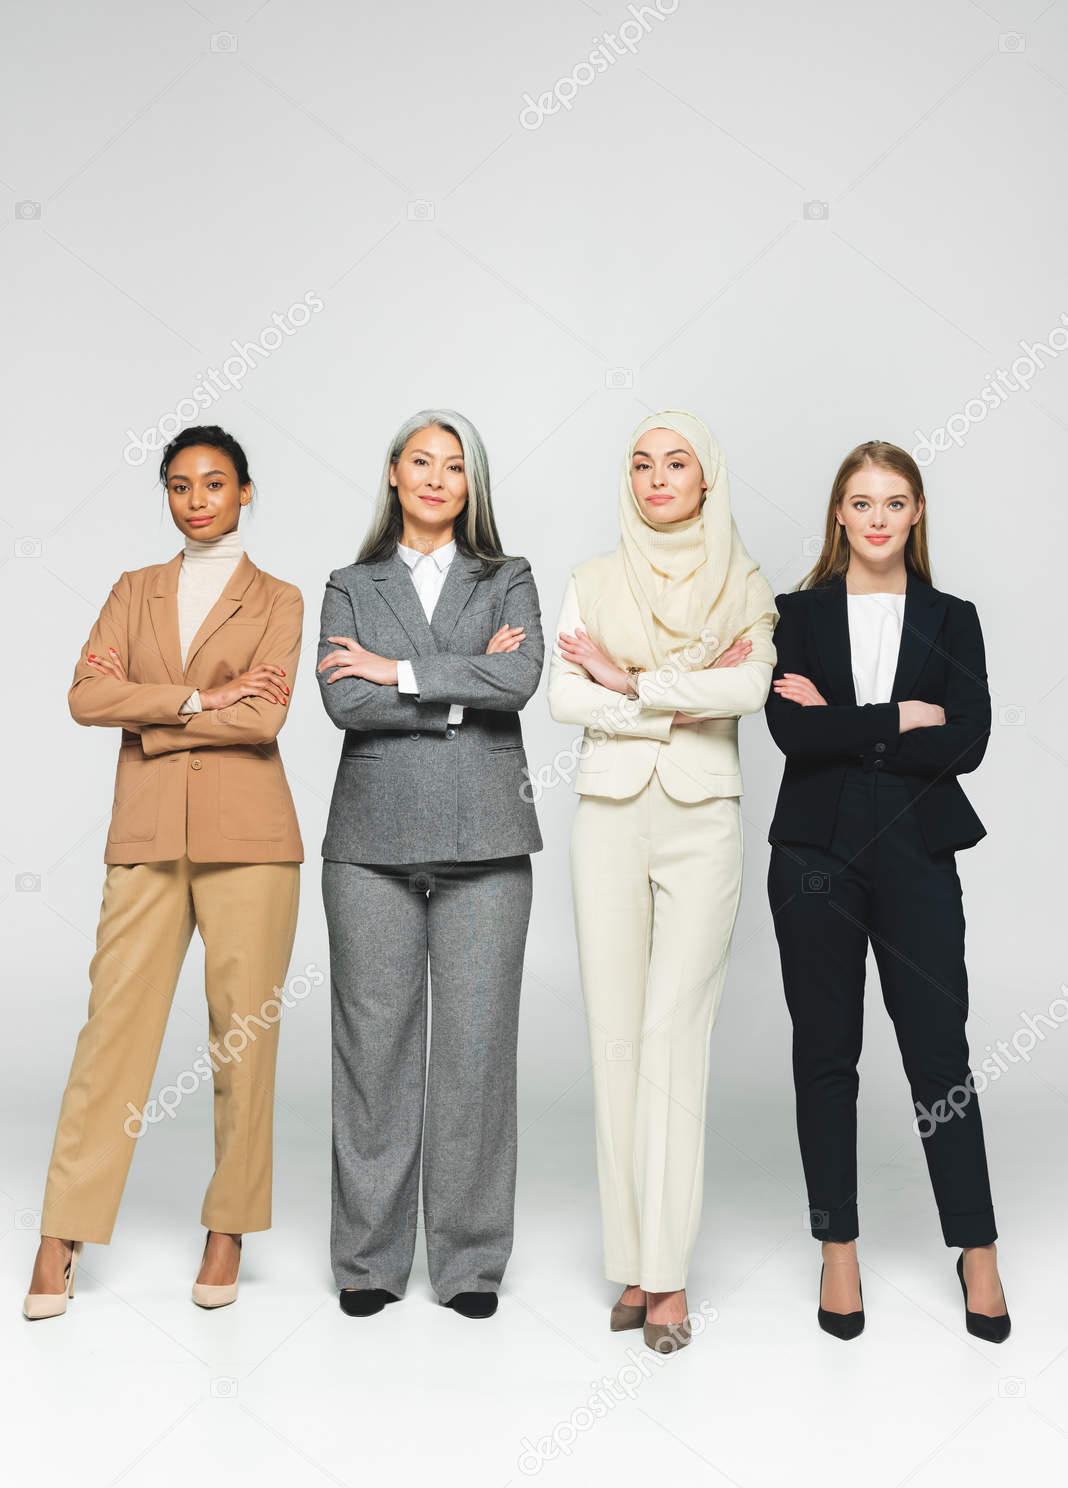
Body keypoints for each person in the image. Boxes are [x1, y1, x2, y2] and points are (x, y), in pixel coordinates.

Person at [24, 425, 303, 1320]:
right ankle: (61, 1233)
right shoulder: (132, 592)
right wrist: (189, 698)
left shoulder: (281, 599)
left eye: (214, 484)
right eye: (179, 486)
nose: (196, 501)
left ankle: (228, 1227)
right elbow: (83, 694)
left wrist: (146, 718)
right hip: (145, 836)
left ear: (245, 492)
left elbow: (264, 718)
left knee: (242, 1039)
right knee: (113, 1032)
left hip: (251, 840)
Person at [764, 440, 1009, 1342]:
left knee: (939, 1051)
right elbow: (791, 732)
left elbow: (970, 739)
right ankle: (838, 1247)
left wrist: (848, 727)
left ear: (914, 515)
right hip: (814, 848)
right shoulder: (797, 613)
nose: (876, 518)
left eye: (894, 503)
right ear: (839, 513)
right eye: (861, 502)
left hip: (915, 840)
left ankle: (975, 1246)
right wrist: (902, 718)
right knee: (827, 1053)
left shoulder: (955, 616)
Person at [547, 409, 777, 1353]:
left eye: (675, 463)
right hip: (606, 816)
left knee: (673, 1035)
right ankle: (635, 1263)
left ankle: (670, 1278)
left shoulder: (745, 581)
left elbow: (751, 690)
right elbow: (566, 697)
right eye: (640, 464)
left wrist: (627, 681)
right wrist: (674, 689)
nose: (655, 478)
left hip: (701, 820)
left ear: (706, 478)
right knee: (615, 1042)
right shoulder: (591, 580)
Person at [316, 409, 543, 1321]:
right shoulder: (349, 583)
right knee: (373, 1055)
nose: (438, 478)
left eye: (456, 466)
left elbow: (521, 683)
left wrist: (400, 673)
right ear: (395, 474)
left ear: (471, 483)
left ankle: (469, 1263)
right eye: (423, 462)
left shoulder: (508, 577)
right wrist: (458, 686)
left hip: (488, 843)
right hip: (369, 847)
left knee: (477, 1059)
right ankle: (369, 1260)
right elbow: (340, 700)